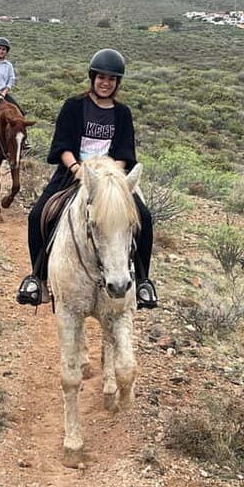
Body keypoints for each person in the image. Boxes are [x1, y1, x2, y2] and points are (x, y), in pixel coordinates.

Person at [16, 48, 158, 309]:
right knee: (38, 215)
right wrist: (77, 169)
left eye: (112, 79)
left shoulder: (122, 113)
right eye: (101, 77)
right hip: (73, 173)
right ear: (93, 78)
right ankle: (38, 278)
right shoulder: (73, 107)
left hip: (111, 178)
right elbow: (63, 144)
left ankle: (143, 283)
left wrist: (108, 174)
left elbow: (125, 152)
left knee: (144, 218)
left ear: (117, 83)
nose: (106, 83)